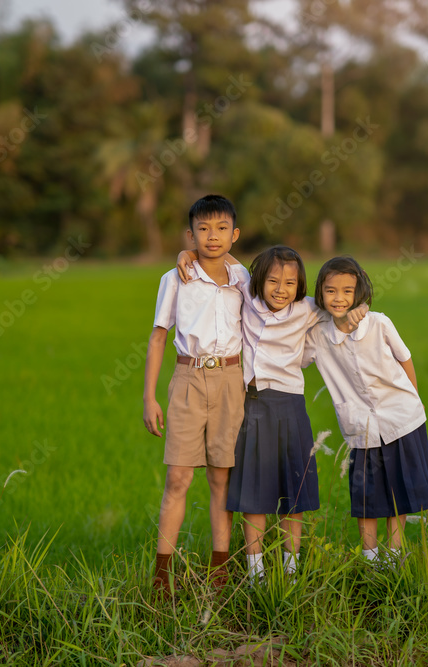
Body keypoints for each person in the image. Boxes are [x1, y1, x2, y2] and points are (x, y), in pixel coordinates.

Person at [179, 246, 367, 582]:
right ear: (258, 280)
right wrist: (188, 252)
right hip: (251, 404)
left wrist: (360, 309)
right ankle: (256, 572)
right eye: (273, 281)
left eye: (290, 283)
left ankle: (290, 569)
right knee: (254, 492)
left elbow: (343, 303)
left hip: (291, 405)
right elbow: (222, 256)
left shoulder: (308, 308)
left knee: (291, 490)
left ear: (300, 286)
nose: (281, 289)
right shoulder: (245, 294)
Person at [143, 194, 248, 595]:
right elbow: (158, 338)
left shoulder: (243, 280)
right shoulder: (175, 279)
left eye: (222, 229)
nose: (212, 237)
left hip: (230, 380)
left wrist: (188, 252)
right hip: (188, 378)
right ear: (191, 234)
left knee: (222, 479)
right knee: (178, 478)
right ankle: (161, 579)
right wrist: (149, 397)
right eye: (202, 230)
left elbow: (276, 286)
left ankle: (219, 575)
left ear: (235, 234)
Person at [302, 256, 428, 565]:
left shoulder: (379, 323)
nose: (339, 298)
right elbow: (299, 340)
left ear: (358, 291)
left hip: (402, 419)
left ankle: (394, 555)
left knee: (399, 492)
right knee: (366, 497)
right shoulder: (318, 335)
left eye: (348, 291)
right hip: (361, 428)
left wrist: (413, 400)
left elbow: (404, 358)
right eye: (330, 291)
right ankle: (370, 560)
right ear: (320, 293)